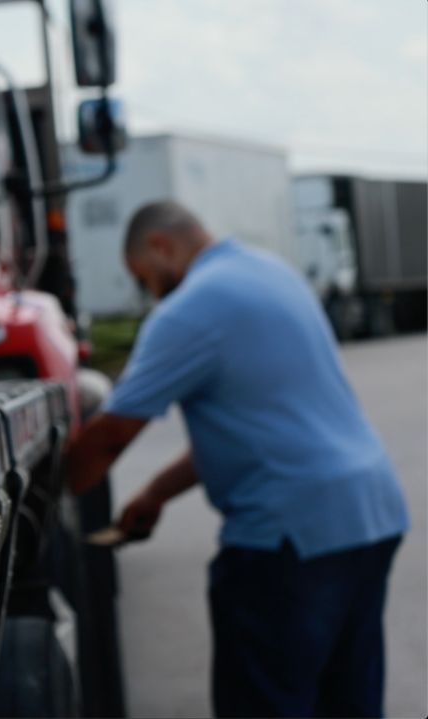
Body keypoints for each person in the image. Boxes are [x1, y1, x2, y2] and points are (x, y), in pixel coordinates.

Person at [64, 200, 409, 717]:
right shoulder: (272, 273)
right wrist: (156, 493)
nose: (149, 292)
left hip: (291, 539)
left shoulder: (190, 309)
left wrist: (50, 499)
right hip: (370, 516)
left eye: (143, 278)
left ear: (161, 247)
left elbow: (111, 435)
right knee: (348, 702)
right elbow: (264, 426)